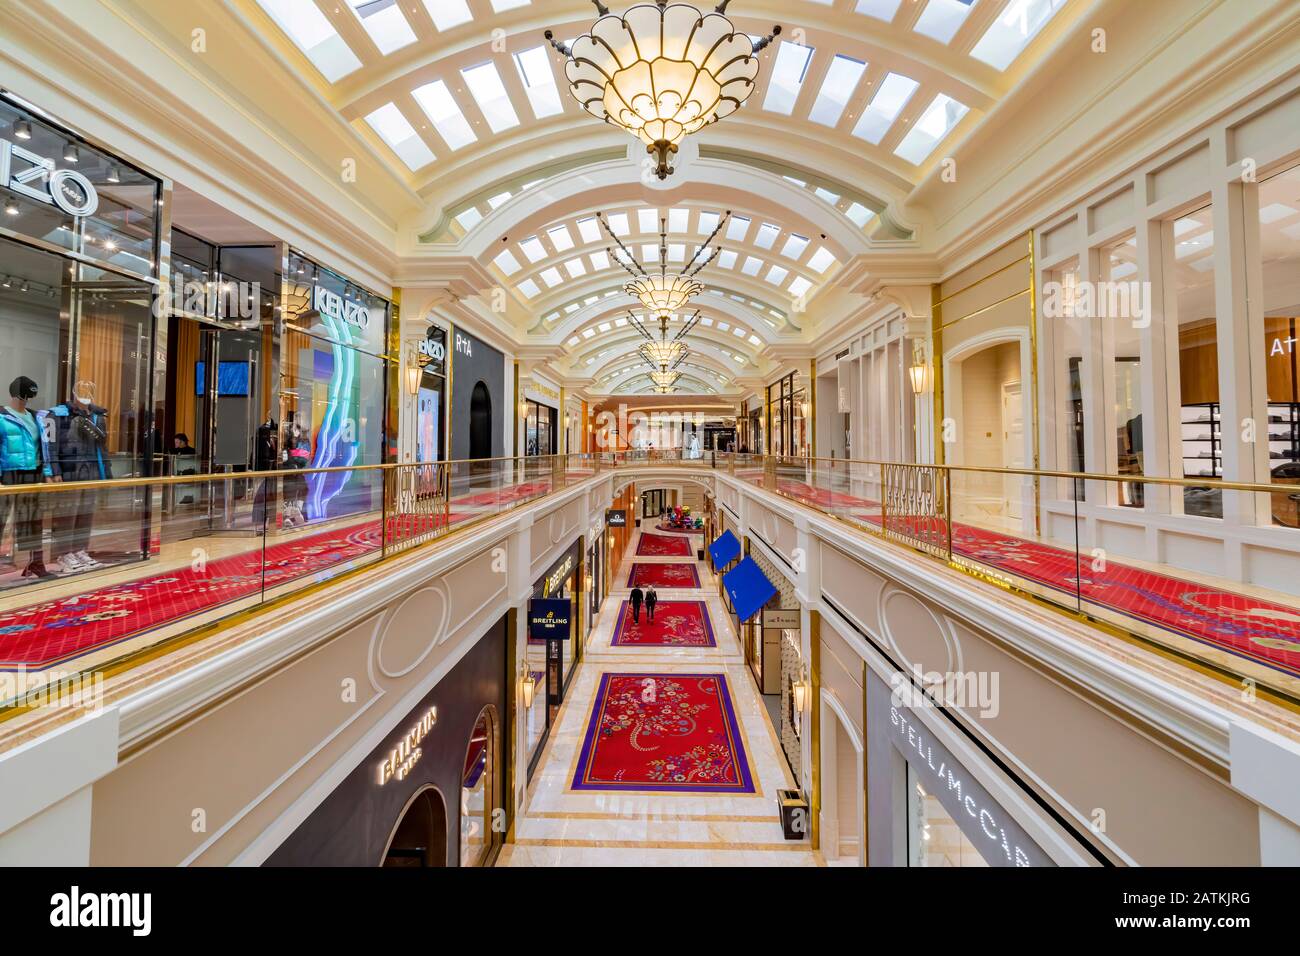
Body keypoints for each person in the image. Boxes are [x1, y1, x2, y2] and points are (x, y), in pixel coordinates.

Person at [41, 379, 111, 573]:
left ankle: (80, 550)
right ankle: (63, 554)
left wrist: (107, 474)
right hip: (68, 470)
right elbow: (49, 444)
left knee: (85, 514)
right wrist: (53, 470)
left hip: (91, 471)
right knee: (66, 515)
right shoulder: (57, 414)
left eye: (90, 389)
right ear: (73, 391)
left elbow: (103, 449)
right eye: (81, 389)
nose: (85, 392)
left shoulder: (98, 417)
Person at [0, 376, 54, 578]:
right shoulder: (2, 416)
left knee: (33, 519)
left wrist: (47, 472)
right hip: (8, 473)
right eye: (24, 395)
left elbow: (44, 448)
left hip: (33, 472)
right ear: (15, 393)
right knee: (1, 519)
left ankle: (36, 563)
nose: (26, 400)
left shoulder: (36, 417)